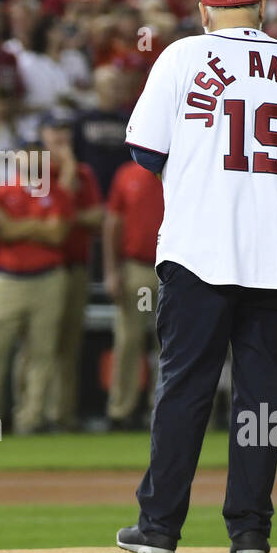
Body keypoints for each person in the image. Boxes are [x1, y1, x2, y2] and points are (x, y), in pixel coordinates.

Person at [115, 0, 277, 553]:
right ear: (263, 10)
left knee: (185, 387)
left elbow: (144, 149)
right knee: (262, 399)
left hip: (200, 250)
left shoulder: (182, 56)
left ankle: (159, 528)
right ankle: (250, 532)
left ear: (205, 10)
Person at [0, 143, 74, 435]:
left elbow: (58, 235)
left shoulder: (56, 192)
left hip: (48, 279)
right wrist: (36, 226)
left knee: (41, 353)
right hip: (9, 280)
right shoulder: (2, 192)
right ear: (17, 159)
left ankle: (32, 418)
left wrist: (19, 227)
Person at [41, 113, 103, 431]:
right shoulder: (34, 169)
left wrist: (67, 217)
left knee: (68, 344)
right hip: (44, 269)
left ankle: (62, 415)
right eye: (54, 131)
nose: (60, 138)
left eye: (64, 131)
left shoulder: (84, 172)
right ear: (42, 135)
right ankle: (34, 412)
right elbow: (52, 218)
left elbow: (96, 217)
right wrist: (65, 175)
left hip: (76, 266)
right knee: (41, 345)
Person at [102, 157, 164, 430]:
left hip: (175, 269)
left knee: (169, 345)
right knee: (129, 340)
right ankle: (121, 411)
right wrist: (112, 271)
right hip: (136, 267)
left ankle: (161, 410)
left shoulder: (185, 168)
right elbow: (112, 223)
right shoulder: (127, 174)